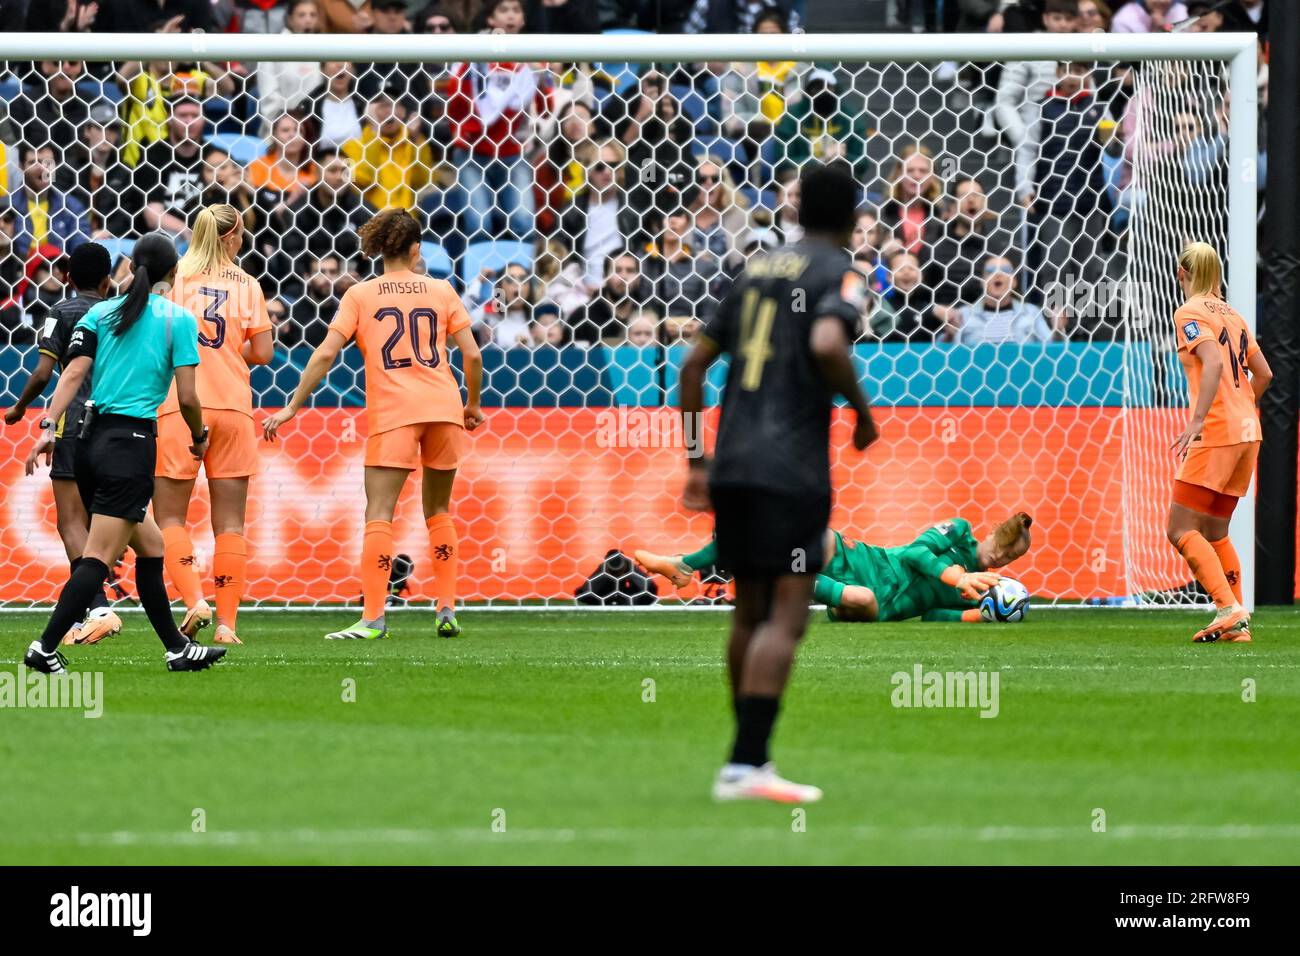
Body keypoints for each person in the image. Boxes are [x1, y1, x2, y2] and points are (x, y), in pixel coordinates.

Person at [678, 163, 878, 804]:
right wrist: (863, 412)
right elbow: (826, 342)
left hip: (732, 462)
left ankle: (745, 759)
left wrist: (694, 462)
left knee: (748, 611)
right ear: (850, 219)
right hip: (789, 468)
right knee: (787, 617)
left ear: (795, 212)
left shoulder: (756, 268)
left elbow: (691, 366)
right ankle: (746, 763)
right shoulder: (840, 273)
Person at [264, 209, 485, 640]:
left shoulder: (360, 297)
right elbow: (472, 355)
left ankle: (373, 618)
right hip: (442, 408)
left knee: (380, 514)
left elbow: (326, 353)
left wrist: (292, 406)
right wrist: (471, 404)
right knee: (438, 511)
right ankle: (446, 610)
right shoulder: (441, 290)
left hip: (394, 414)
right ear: (417, 251)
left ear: (379, 250)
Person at [19, 233, 226, 674]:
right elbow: (188, 396)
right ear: (175, 272)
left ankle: (177, 648)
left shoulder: (100, 312)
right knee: (98, 558)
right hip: (130, 446)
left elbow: (73, 373)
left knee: (151, 550)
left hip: (90, 443)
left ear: (129, 269)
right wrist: (198, 434)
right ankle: (44, 646)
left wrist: (46, 428)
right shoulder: (177, 320)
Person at [154, 205, 275, 647]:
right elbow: (263, 352)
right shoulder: (248, 284)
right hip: (233, 406)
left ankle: (193, 602)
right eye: (241, 234)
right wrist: (226, 355)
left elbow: (152, 338)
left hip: (179, 405)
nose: (243, 241)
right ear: (231, 237)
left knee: (168, 516)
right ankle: (227, 625)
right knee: (230, 524)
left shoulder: (172, 280)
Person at [3, 242, 123, 646]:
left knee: (71, 522)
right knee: (107, 521)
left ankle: (97, 606)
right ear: (109, 280)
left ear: (68, 278)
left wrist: (19, 408)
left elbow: (41, 373)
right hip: (122, 425)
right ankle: (92, 609)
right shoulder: (121, 312)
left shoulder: (64, 312)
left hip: (75, 425)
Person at [635, 512, 1030, 623]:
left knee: (860, 596)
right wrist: (956, 575)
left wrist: (975, 617)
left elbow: (930, 615)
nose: (1001, 557)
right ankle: (684, 567)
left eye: (1011, 557)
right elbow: (913, 554)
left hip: (880, 605)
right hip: (868, 560)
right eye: (1003, 544)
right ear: (994, 531)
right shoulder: (958, 532)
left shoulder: (982, 588)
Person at [1168, 242, 1270, 644]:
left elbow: (1211, 361)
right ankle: (1237, 625)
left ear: (1182, 271)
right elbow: (1263, 375)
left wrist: (1198, 420)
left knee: (1179, 529)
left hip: (1218, 430)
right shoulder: (1234, 315)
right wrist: (1243, 407)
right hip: (1249, 431)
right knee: (1215, 530)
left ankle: (1228, 610)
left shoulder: (1189, 312)